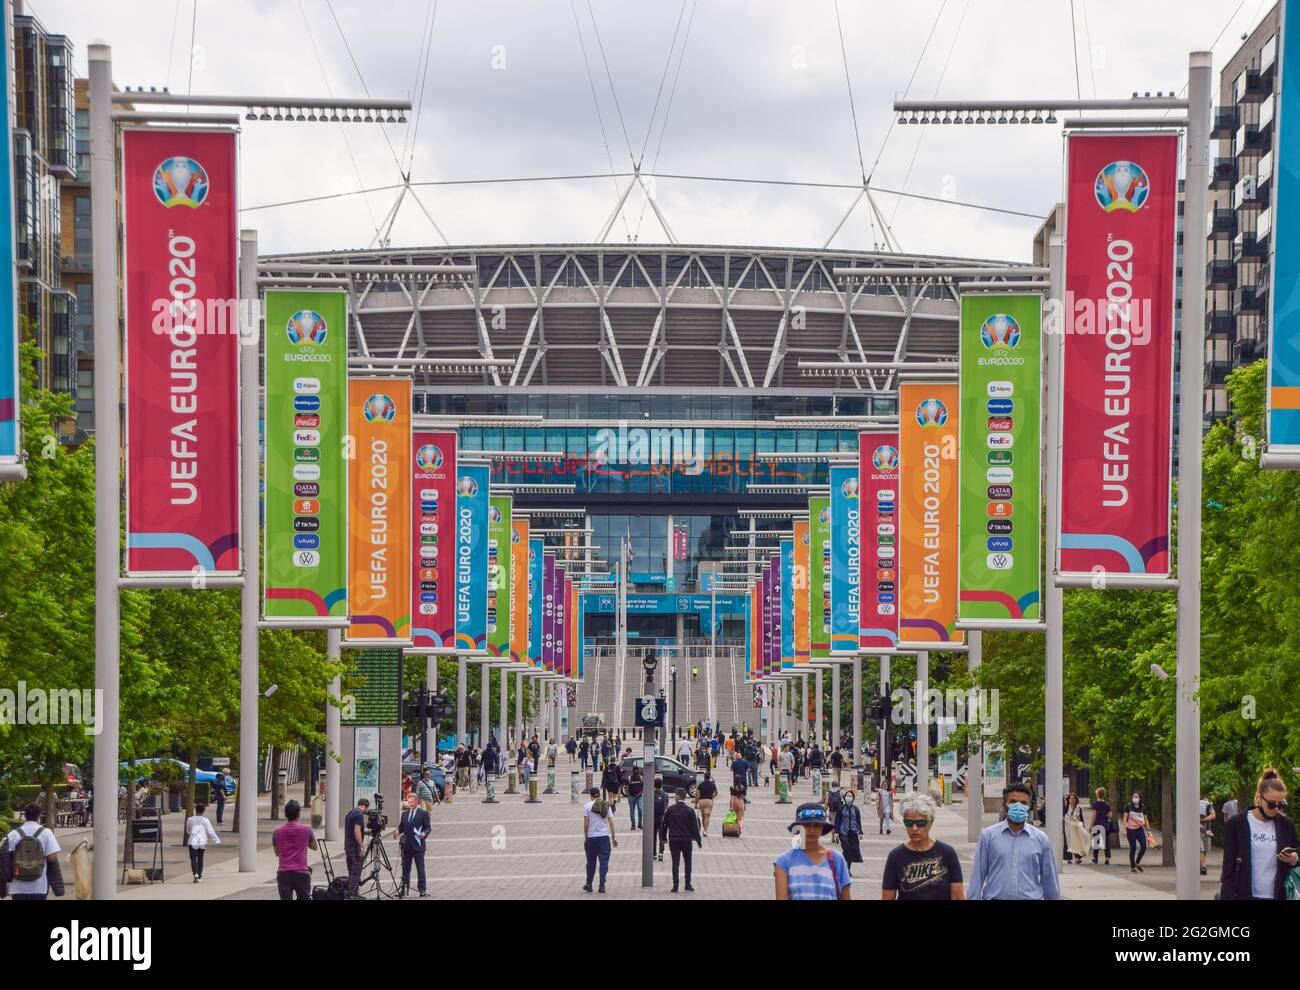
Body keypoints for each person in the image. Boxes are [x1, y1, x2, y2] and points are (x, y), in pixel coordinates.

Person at [967, 782, 1061, 900]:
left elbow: (1050, 881)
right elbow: (977, 877)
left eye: (1023, 803)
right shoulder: (988, 837)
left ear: (1029, 806)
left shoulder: (1041, 839)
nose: (1018, 806)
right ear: (1004, 804)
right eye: (1013, 802)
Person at [1219, 768, 1299, 900]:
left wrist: (1295, 857)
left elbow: (1297, 850)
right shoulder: (1237, 824)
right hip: (1244, 894)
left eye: (1281, 805)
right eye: (1272, 805)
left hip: (1279, 894)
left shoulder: (1286, 824)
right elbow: (1228, 868)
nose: (1276, 809)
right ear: (1259, 798)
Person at [882, 793, 963, 899]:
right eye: (909, 823)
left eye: (920, 822)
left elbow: (958, 896)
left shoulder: (947, 853)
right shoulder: (895, 856)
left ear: (931, 822)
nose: (914, 828)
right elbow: (887, 896)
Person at [773, 803, 851, 900]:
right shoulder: (784, 861)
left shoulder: (837, 860)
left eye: (817, 825)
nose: (811, 830)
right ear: (799, 827)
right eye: (807, 825)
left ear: (822, 828)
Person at [0, 804, 65, 901]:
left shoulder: (13, 834)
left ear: (25, 815)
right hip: (39, 885)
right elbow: (52, 857)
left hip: (17, 886)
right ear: (39, 816)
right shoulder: (46, 832)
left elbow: (5, 858)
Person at [272, 799, 317, 900]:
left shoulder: (277, 832)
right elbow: (315, 847)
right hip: (301, 872)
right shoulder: (306, 830)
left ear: (285, 814)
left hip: (283, 873)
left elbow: (277, 853)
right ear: (299, 814)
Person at [661, 787, 703, 892]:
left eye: (675, 795)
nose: (674, 796)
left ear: (678, 796)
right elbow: (694, 827)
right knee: (688, 862)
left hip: (674, 840)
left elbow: (664, 825)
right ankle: (687, 884)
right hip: (686, 840)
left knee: (675, 863)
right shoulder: (690, 810)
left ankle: (675, 886)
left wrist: (663, 838)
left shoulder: (670, 809)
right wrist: (698, 841)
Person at [392, 791, 430, 898]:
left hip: (418, 846)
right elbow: (401, 827)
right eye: (409, 802)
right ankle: (404, 888)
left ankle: (422, 889)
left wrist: (424, 834)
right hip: (406, 846)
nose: (410, 804)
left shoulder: (423, 813)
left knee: (420, 868)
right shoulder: (404, 814)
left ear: (417, 802)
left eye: (412, 802)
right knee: (405, 869)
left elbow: (428, 828)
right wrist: (397, 832)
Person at [582, 786, 617, 893]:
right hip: (604, 838)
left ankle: (589, 884)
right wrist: (613, 838)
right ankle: (602, 885)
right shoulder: (606, 805)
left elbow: (586, 824)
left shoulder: (587, 806)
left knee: (591, 862)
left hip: (592, 838)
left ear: (591, 795)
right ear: (599, 795)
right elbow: (611, 822)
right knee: (604, 862)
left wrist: (586, 837)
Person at [185, 802, 220, 883]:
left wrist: (191, 833)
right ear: (203, 811)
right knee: (201, 858)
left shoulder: (190, 819)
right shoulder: (206, 820)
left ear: (195, 810)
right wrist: (216, 840)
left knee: (193, 858)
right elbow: (210, 831)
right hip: (202, 841)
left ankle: (195, 874)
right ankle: (200, 875)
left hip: (192, 841)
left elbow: (188, 830)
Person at [833, 789, 864, 875]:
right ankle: (841, 864)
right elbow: (837, 820)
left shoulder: (856, 809)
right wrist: (836, 832)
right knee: (846, 846)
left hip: (853, 832)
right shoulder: (841, 808)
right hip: (843, 831)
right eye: (847, 796)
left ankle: (847, 869)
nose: (848, 798)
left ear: (853, 798)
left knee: (850, 851)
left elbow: (858, 821)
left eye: (850, 796)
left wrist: (860, 832)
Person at [1121, 790, 1152, 874]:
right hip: (1130, 830)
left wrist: (1148, 830)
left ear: (1140, 798)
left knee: (1143, 846)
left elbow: (1146, 819)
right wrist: (1124, 829)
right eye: (1133, 796)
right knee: (1133, 847)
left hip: (1139, 829)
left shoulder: (1142, 807)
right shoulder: (1128, 806)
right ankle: (1132, 867)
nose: (1134, 798)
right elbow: (1124, 818)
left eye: (1136, 797)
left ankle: (1137, 862)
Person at [343, 797, 368, 898]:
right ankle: (350, 894)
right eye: (367, 808)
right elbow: (356, 830)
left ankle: (354, 892)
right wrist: (362, 846)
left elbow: (351, 829)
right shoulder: (359, 815)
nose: (367, 811)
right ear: (364, 806)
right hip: (355, 848)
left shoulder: (350, 813)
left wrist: (365, 832)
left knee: (351, 870)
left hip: (348, 846)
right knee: (356, 871)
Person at [1063, 792, 1088, 864]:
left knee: (1077, 842)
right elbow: (1062, 817)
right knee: (1068, 842)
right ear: (1068, 800)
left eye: (1074, 798)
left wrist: (1083, 827)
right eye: (1071, 798)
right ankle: (1068, 858)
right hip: (1068, 827)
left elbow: (1081, 818)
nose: (1072, 800)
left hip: (1076, 828)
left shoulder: (1078, 808)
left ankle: (1078, 857)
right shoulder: (1065, 807)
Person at [1090, 786, 1113, 865]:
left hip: (1097, 824)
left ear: (1097, 795)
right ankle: (1107, 857)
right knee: (1106, 841)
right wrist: (1106, 817)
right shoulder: (1107, 805)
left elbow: (1094, 814)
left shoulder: (1095, 804)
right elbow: (1110, 815)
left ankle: (1095, 858)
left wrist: (1090, 825)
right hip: (1105, 825)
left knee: (1096, 840)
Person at [696, 769, 718, 835]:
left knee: (703, 816)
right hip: (709, 801)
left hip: (701, 801)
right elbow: (716, 793)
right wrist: (712, 796)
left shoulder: (700, 785)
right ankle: (705, 830)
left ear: (704, 777)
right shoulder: (713, 784)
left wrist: (695, 803)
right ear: (709, 777)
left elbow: (698, 795)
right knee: (707, 816)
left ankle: (704, 828)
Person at [652, 777, 670, 862]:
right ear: (661, 784)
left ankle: (653, 853)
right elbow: (666, 806)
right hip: (662, 817)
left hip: (653, 817)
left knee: (653, 835)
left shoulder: (651, 794)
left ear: (654, 785)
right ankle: (661, 853)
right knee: (661, 835)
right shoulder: (665, 794)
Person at [1199, 793, 1216, 876]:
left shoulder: (1209, 805)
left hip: (1206, 830)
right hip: (1198, 831)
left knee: (1204, 849)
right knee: (1201, 848)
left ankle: (1201, 865)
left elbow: (1213, 815)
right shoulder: (1194, 803)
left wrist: (1202, 820)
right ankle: (1203, 866)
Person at [627, 766, 645, 830]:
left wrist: (639, 794)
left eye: (637, 770)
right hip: (631, 797)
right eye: (635, 770)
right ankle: (633, 825)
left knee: (640, 809)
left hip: (639, 797)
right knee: (632, 811)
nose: (636, 771)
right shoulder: (629, 778)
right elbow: (627, 787)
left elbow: (643, 788)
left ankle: (640, 824)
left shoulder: (641, 778)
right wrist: (628, 796)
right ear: (633, 771)